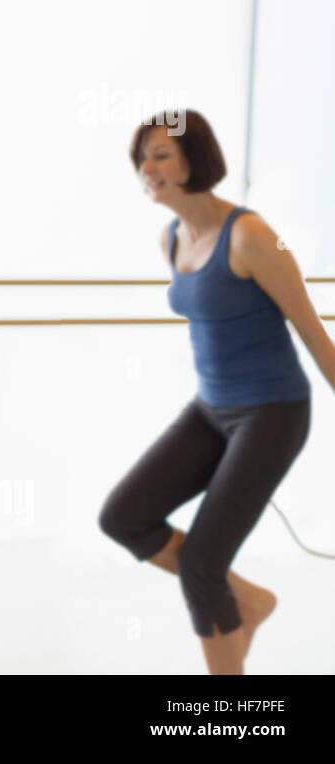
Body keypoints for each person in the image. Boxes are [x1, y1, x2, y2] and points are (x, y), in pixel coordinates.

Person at [100, 109, 335, 674]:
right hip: (211, 409)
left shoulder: (252, 236)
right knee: (125, 516)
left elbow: (310, 329)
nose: (147, 168)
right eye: (142, 157)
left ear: (193, 159)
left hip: (273, 412)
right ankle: (250, 602)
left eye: (161, 155)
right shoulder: (172, 237)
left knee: (203, 563)